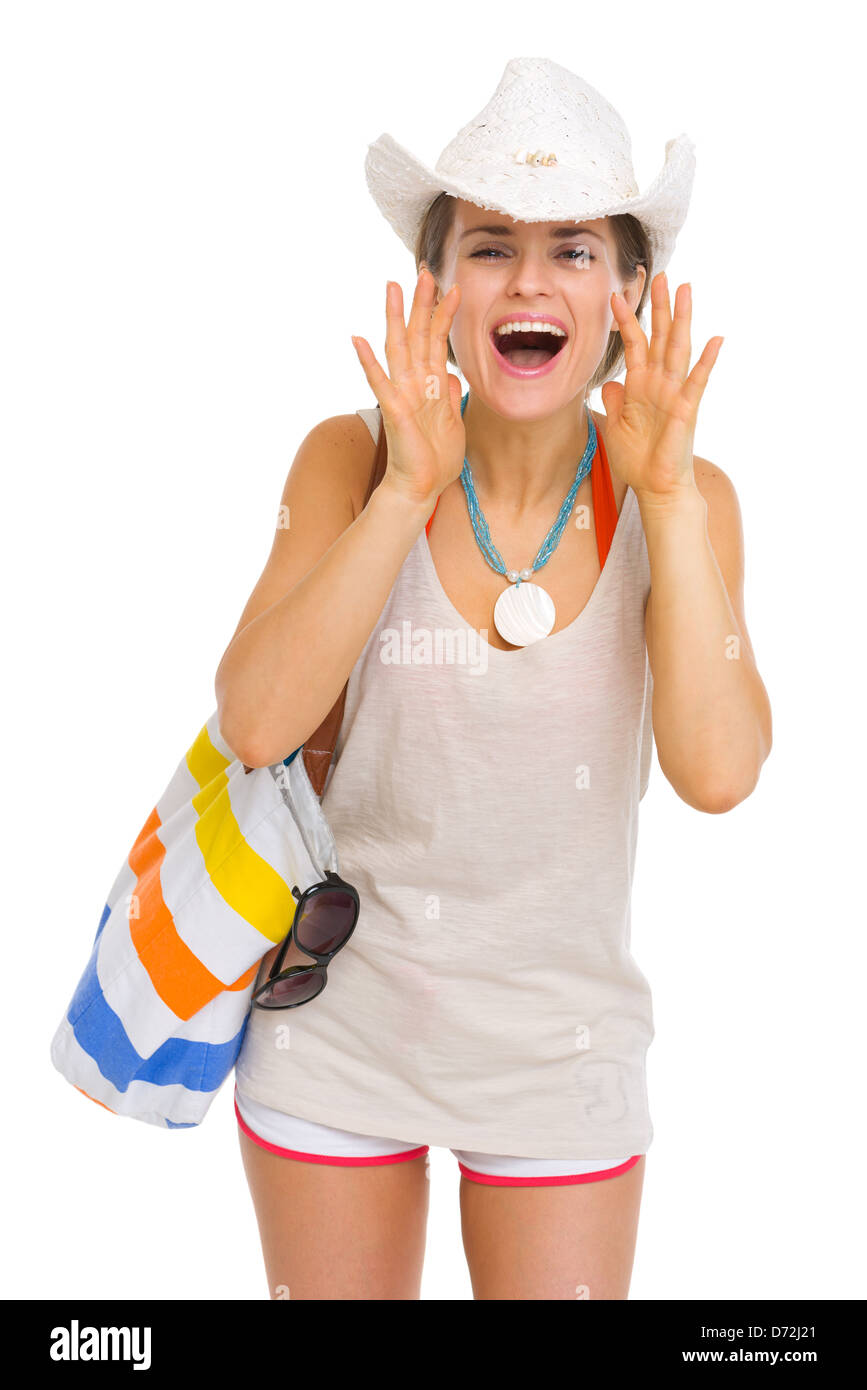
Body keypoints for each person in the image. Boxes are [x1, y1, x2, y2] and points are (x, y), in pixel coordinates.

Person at [215, 58, 772, 1300]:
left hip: (560, 1061)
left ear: (631, 293)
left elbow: (719, 772)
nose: (529, 281)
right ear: (436, 287)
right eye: (488, 248)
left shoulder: (683, 495)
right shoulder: (350, 460)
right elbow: (257, 718)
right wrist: (407, 488)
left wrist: (673, 498)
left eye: (575, 250)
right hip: (335, 1039)